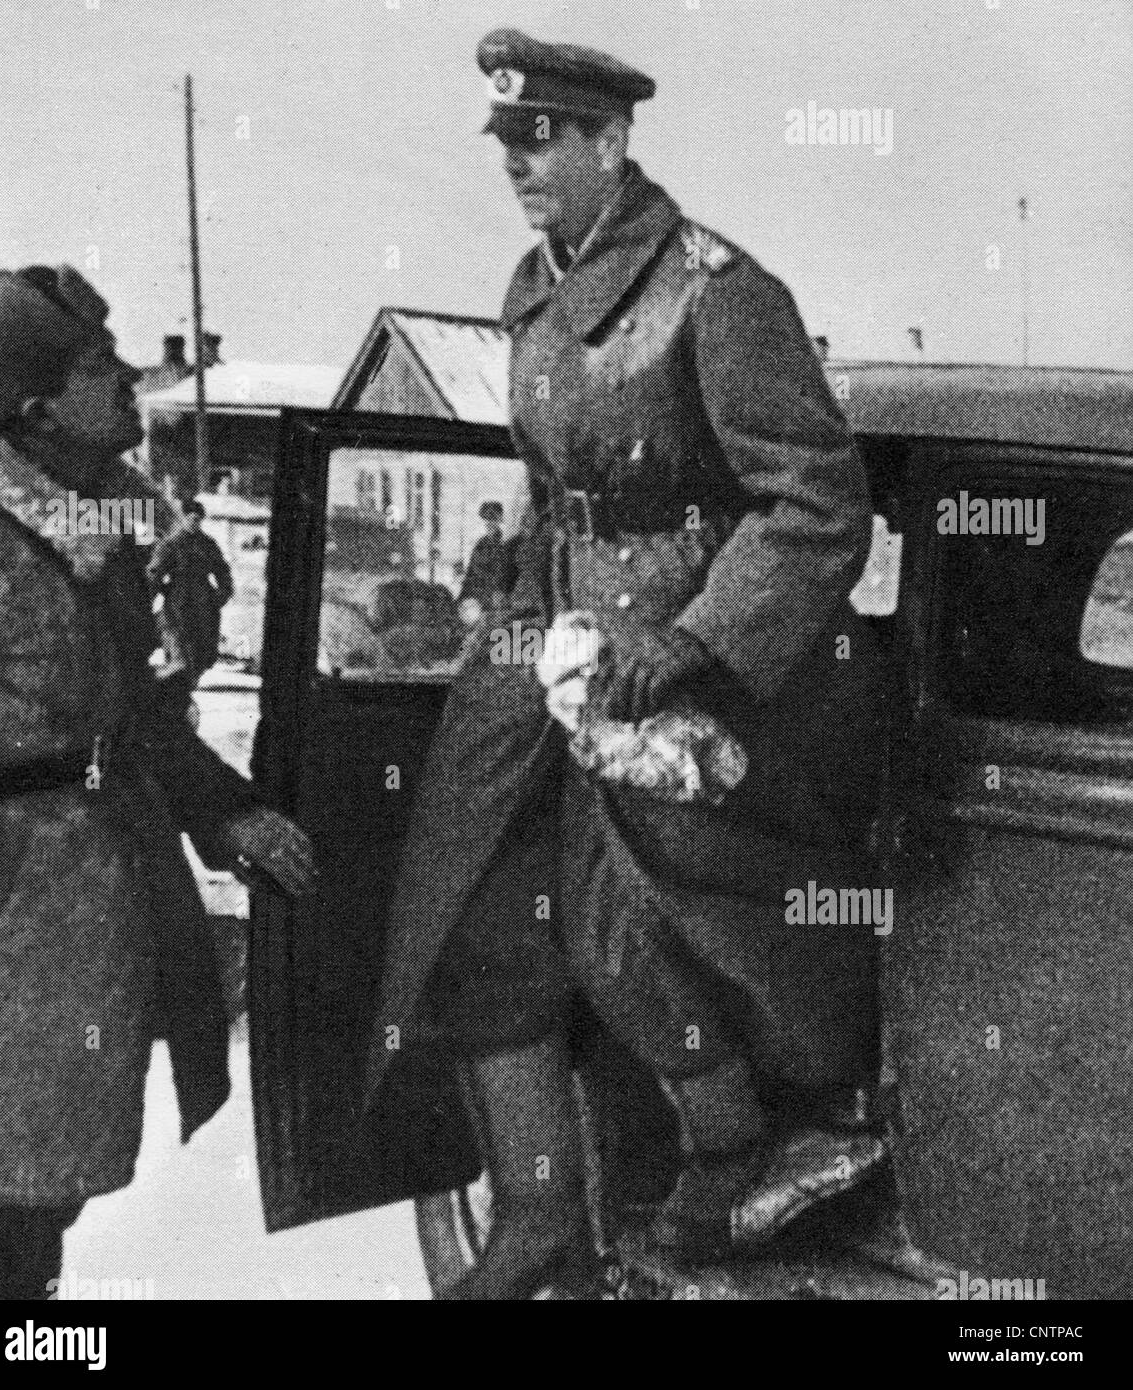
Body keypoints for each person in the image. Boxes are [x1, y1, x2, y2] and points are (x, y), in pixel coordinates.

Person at [366, 30, 888, 1298]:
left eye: (544, 138)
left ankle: (744, 1140)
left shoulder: (715, 290)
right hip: (560, 647)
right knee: (473, 903)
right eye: (508, 141)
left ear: (611, 141)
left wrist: (698, 637)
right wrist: (506, 604)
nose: (520, 164)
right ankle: (542, 1201)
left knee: (615, 917)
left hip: (693, 669)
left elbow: (817, 500)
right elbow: (555, 490)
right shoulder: (531, 290)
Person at [0, 265, 314, 1299]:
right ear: (33, 405)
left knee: (33, 1192)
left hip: (78, 915)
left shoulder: (104, 512)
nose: (123, 379)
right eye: (93, 365)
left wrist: (227, 809)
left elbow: (136, 708)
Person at [147, 498, 234, 687]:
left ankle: (193, 674)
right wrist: (153, 595)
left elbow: (222, 570)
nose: (194, 523)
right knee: (180, 638)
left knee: (204, 642)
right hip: (179, 598)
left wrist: (222, 594)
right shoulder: (170, 544)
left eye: (198, 520)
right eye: (191, 519)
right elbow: (155, 572)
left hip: (204, 598)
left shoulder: (208, 544)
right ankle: (183, 677)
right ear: (183, 518)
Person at [458, 499, 512, 618]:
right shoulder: (480, 544)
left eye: (493, 519)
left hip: (493, 602)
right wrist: (461, 600)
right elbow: (470, 574)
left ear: (499, 520)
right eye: (486, 519)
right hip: (476, 602)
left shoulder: (504, 545)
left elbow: (504, 577)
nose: (489, 523)